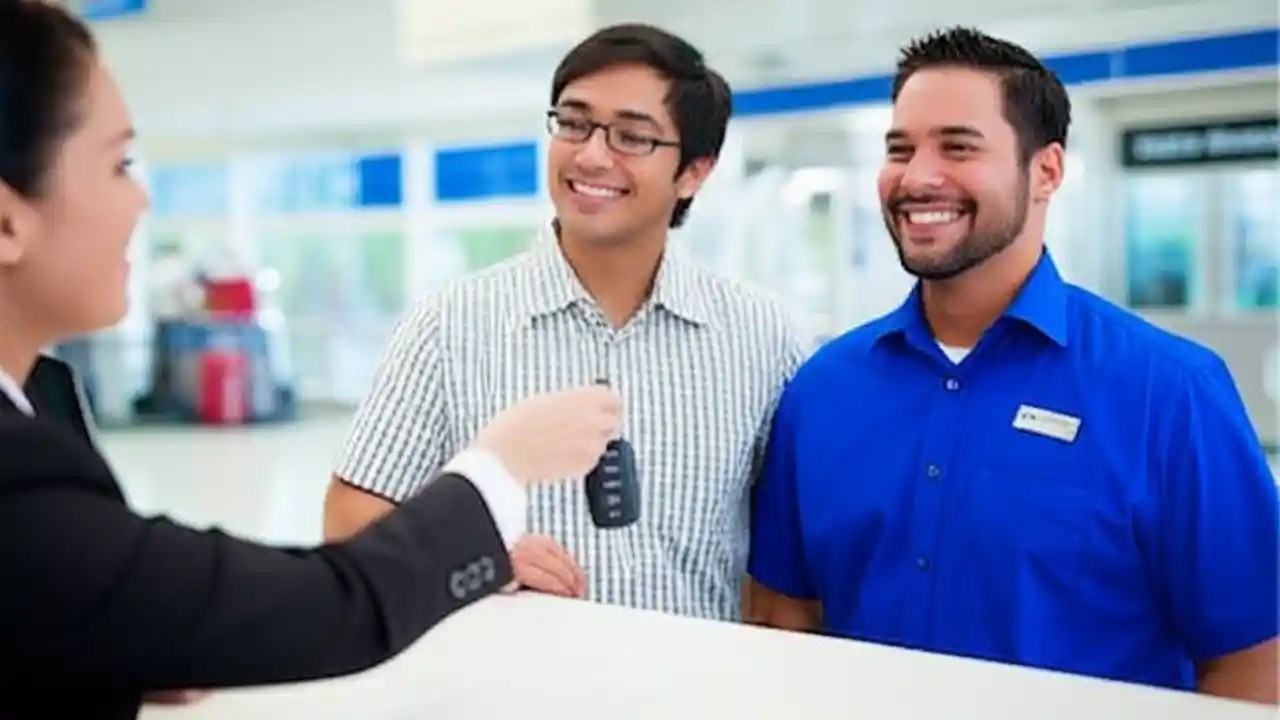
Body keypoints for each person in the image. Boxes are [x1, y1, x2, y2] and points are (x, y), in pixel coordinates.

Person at [0, 2, 621, 718]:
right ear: (9, 221)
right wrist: (500, 465)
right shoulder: (17, 472)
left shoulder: (41, 399)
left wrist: (101, 656)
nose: (142, 197)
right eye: (120, 163)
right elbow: (339, 603)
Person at [745, 26, 1279, 705]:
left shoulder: (1170, 394)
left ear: (1047, 170)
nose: (918, 176)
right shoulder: (823, 389)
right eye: (900, 149)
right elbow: (782, 618)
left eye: (958, 147)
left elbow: (1254, 659)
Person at [324, 23, 803, 622]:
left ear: (694, 172)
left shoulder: (762, 337)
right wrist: (470, 555)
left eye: (633, 136)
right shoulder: (450, 325)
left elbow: (791, 562)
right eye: (573, 123)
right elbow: (349, 520)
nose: (591, 155)